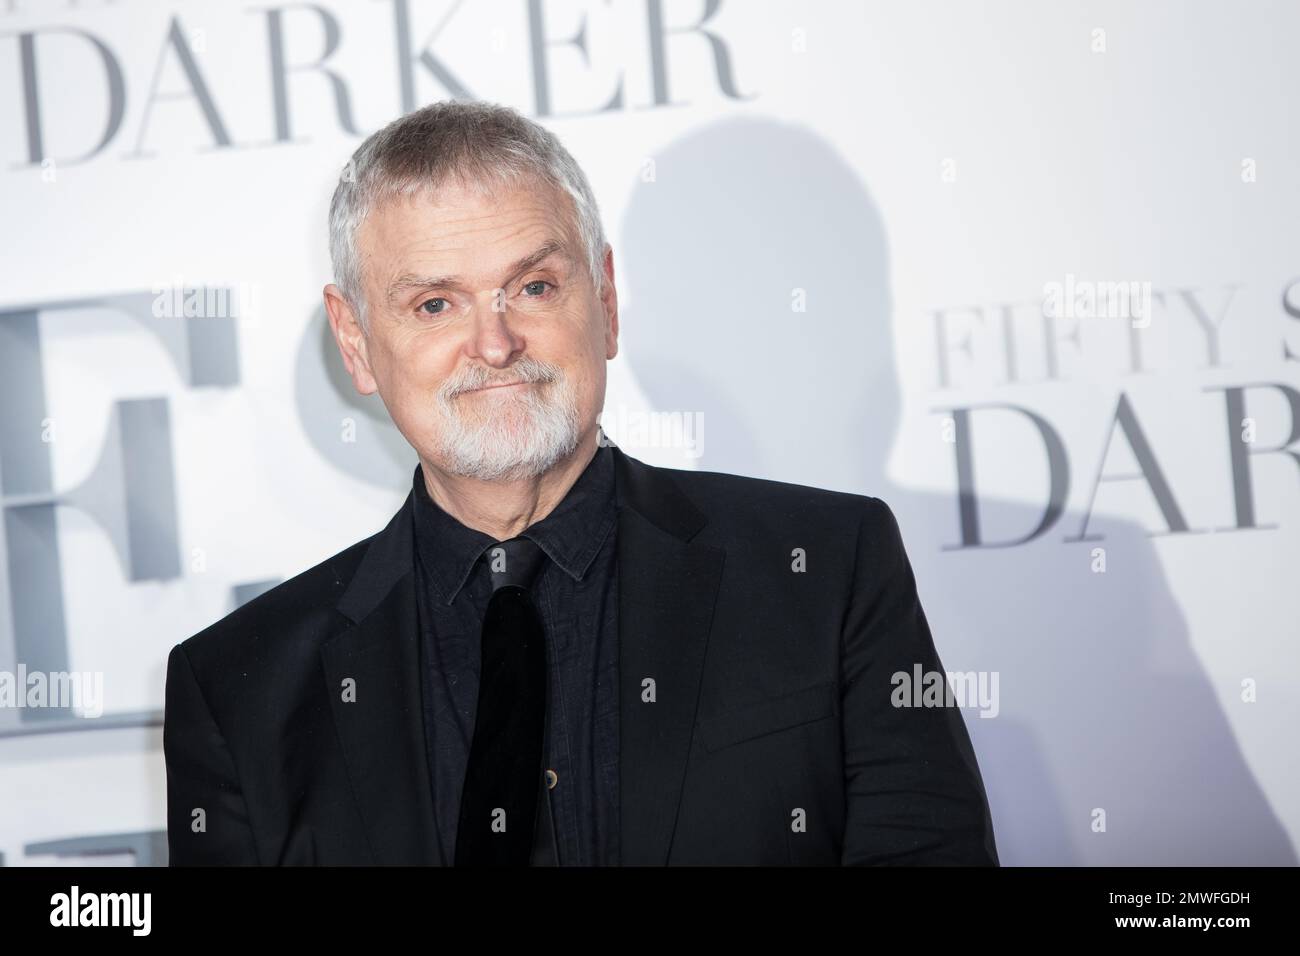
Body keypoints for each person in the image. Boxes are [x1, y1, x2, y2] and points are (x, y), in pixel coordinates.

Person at [163, 99, 998, 866]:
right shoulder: (239, 692)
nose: (495, 344)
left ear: (603, 295)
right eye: (433, 305)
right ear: (353, 342)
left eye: (532, 287)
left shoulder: (824, 571)